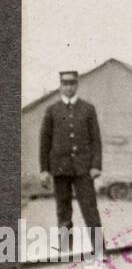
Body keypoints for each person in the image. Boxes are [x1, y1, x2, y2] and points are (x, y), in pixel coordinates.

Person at [39, 70, 102, 247]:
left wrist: (96, 165)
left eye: (72, 83)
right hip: (60, 168)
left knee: (90, 208)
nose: (68, 87)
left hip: (83, 168)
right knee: (63, 209)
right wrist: (44, 170)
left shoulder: (88, 109)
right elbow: (44, 142)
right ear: (60, 86)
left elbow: (96, 139)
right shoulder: (52, 111)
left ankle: (99, 250)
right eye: (65, 84)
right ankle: (66, 250)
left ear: (77, 85)